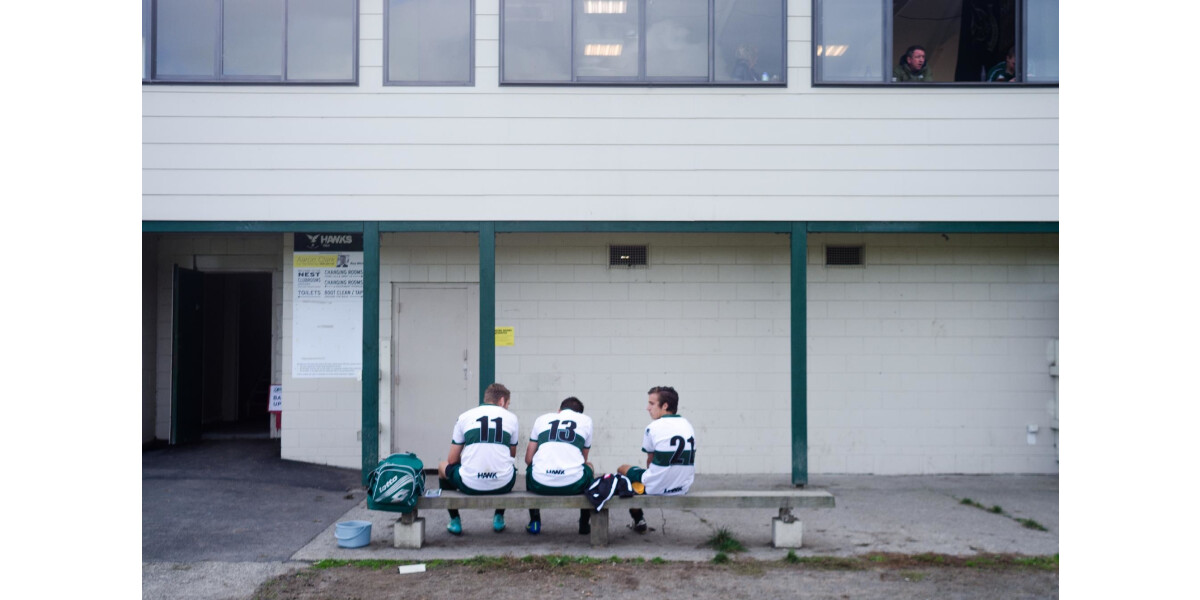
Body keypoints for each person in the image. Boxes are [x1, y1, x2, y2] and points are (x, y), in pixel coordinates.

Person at [437, 383, 519, 535]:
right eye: (508, 404)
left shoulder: (464, 417)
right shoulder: (512, 419)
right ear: (502, 401)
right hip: (503, 484)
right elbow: (511, 455)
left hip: (470, 484)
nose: (507, 407)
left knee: (442, 466)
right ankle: (499, 517)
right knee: (509, 466)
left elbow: (452, 459)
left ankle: (455, 520)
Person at [616, 386, 696, 533]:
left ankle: (638, 519)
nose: (647, 408)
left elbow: (650, 462)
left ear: (665, 406)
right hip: (682, 488)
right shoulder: (688, 425)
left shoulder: (653, 427)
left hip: (657, 486)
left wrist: (653, 481)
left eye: (652, 404)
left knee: (622, 469)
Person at [523, 396, 595, 535]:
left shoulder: (541, 419)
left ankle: (535, 521)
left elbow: (528, 459)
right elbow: (583, 459)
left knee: (531, 468)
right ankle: (584, 524)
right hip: (573, 484)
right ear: (579, 414)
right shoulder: (586, 421)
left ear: (559, 411)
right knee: (589, 467)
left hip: (540, 483)